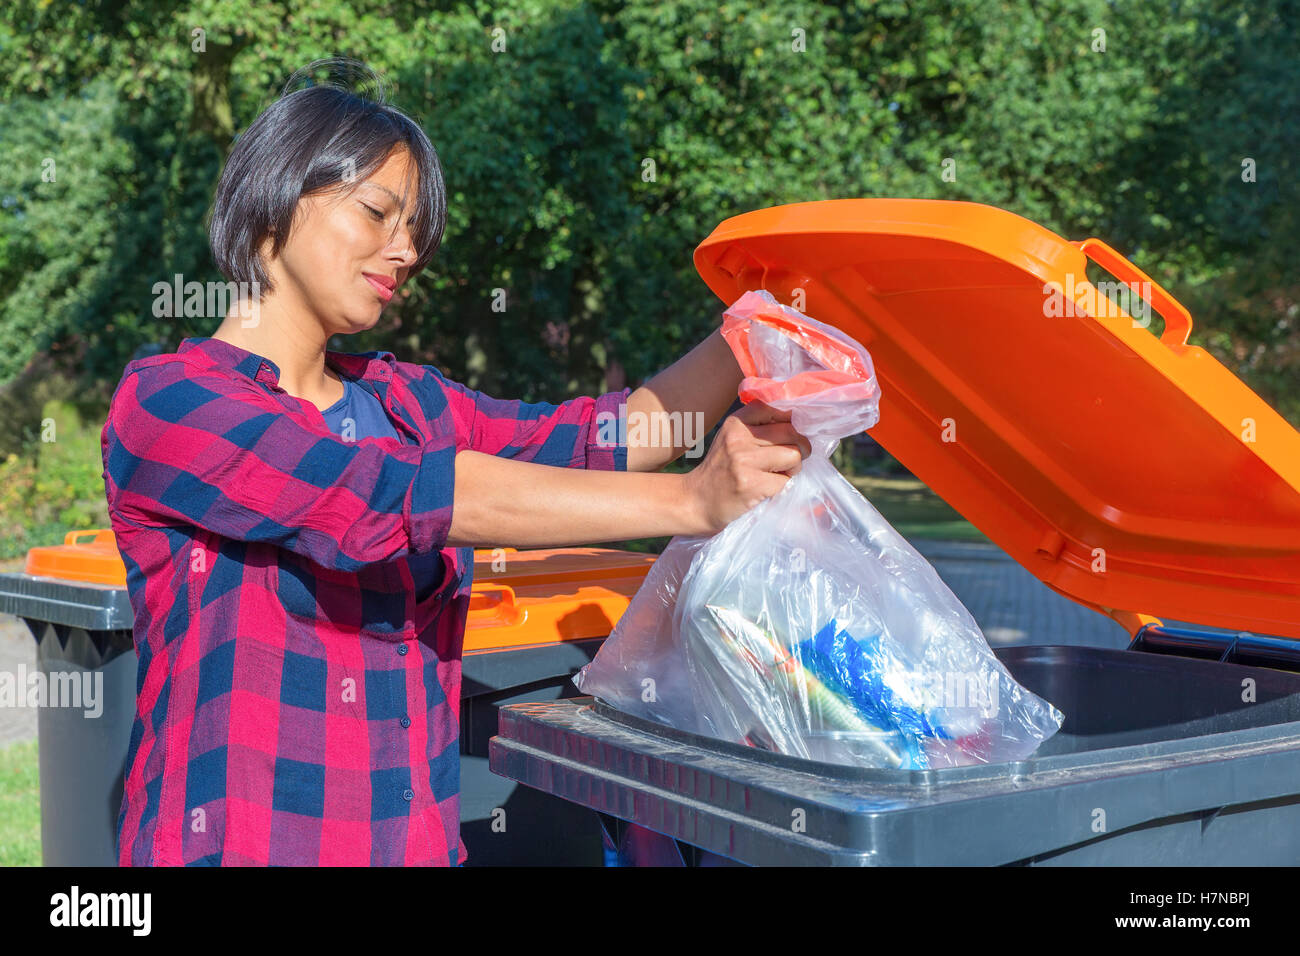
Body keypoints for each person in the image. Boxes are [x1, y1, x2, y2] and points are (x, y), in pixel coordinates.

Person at [101, 60, 808, 866]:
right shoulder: (169, 405)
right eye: (377, 213)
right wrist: (695, 501)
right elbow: (388, 498)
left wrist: (753, 324)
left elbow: (602, 439)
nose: (405, 251)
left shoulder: (410, 404)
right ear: (277, 196)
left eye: (415, 232)